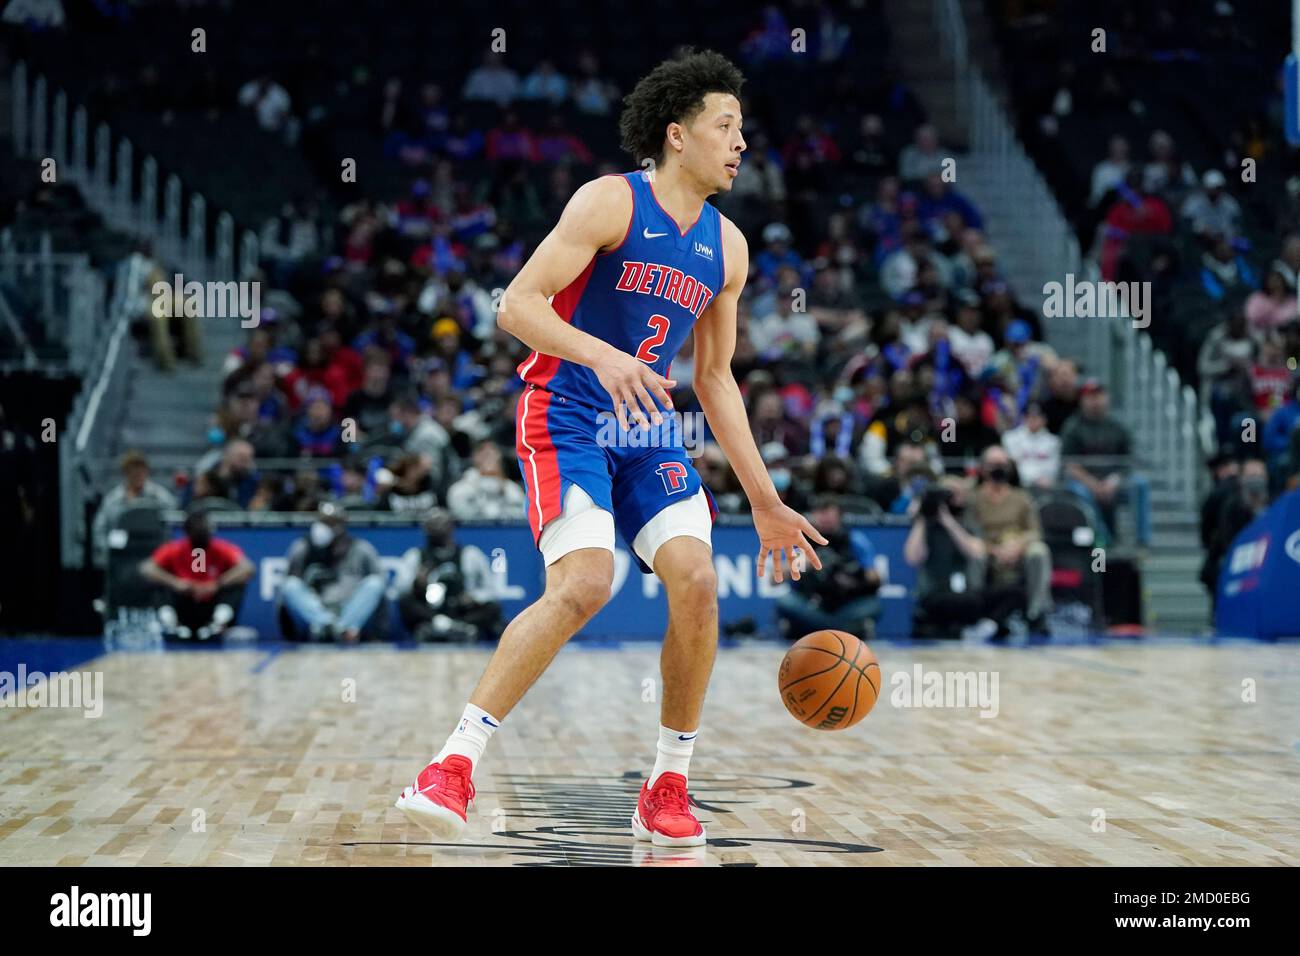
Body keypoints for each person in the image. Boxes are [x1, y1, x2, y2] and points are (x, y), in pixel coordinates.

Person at [396, 49, 828, 848]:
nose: (740, 144)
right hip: (562, 412)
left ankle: (668, 784)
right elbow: (516, 307)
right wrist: (602, 354)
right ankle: (451, 765)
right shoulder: (608, 203)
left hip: (649, 428)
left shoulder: (728, 248)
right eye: (724, 127)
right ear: (676, 135)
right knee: (587, 584)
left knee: (697, 579)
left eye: (742, 129)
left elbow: (718, 381)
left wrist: (765, 503)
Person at [969, 446, 1053, 633]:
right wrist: (993, 550)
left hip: (1018, 551)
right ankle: (977, 611)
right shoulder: (973, 498)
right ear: (982, 468)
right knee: (974, 552)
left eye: (1002, 464)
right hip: (988, 551)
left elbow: (1035, 531)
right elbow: (970, 532)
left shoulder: (1021, 497)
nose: (998, 468)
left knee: (1039, 551)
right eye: (992, 464)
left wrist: (1018, 546)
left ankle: (1036, 613)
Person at [278, 502, 387, 642]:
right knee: (290, 585)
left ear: (341, 525)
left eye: (331, 523)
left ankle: (341, 629)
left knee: (375, 583)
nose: (324, 528)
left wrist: (380, 632)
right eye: (322, 522)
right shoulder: (303, 548)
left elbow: (381, 584)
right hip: (316, 611)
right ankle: (329, 627)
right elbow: (287, 588)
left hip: (349, 609)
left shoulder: (361, 548)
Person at [776, 496, 881, 641]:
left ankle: (827, 630)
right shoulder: (800, 540)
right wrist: (806, 562)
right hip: (812, 606)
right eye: (820, 513)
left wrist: (852, 575)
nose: (824, 518)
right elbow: (775, 578)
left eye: (828, 513)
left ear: (840, 516)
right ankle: (836, 631)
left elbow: (874, 578)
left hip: (845, 606)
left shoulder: (853, 540)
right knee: (786, 601)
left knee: (873, 605)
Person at [1060, 380, 1149, 547]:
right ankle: (1103, 541)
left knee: (1140, 484)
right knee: (1079, 492)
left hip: (1114, 482)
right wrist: (1094, 485)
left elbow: (1129, 461)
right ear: (1082, 400)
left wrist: (1113, 482)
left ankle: (1142, 542)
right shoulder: (1073, 427)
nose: (1095, 401)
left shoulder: (1118, 426)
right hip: (1085, 483)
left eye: (1099, 395)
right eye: (1090, 396)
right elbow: (1070, 464)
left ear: (1106, 398)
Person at [139, 511, 254, 641]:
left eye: (204, 531)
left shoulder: (220, 548)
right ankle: (171, 624)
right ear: (188, 533)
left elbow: (247, 568)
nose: (202, 536)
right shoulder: (175, 549)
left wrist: (217, 584)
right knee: (156, 583)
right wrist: (175, 582)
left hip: (209, 605)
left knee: (238, 584)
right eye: (198, 532)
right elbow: (147, 568)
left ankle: (217, 624)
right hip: (184, 605)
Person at [395, 509, 503, 642]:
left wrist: (474, 597)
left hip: (461, 609)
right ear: (425, 528)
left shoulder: (471, 554)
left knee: (493, 608)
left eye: (441, 523)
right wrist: (416, 583)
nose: (437, 528)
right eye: (432, 524)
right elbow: (400, 589)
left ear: (451, 526)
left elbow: (491, 590)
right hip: (430, 611)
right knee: (406, 603)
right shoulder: (415, 556)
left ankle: (456, 628)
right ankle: (444, 626)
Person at [92, 450, 178, 568]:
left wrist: (166, 552)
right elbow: (99, 528)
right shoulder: (113, 499)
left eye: (141, 472)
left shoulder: (161, 497)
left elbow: (173, 525)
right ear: (126, 473)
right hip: (120, 553)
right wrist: (107, 552)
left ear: (147, 472)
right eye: (134, 473)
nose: (138, 476)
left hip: (153, 552)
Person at [446, 439, 527, 521]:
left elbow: (523, 515)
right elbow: (460, 515)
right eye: (482, 452)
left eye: (492, 452)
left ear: (499, 456)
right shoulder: (459, 489)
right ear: (474, 457)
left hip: (506, 533)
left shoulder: (512, 488)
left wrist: (503, 489)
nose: (488, 455)